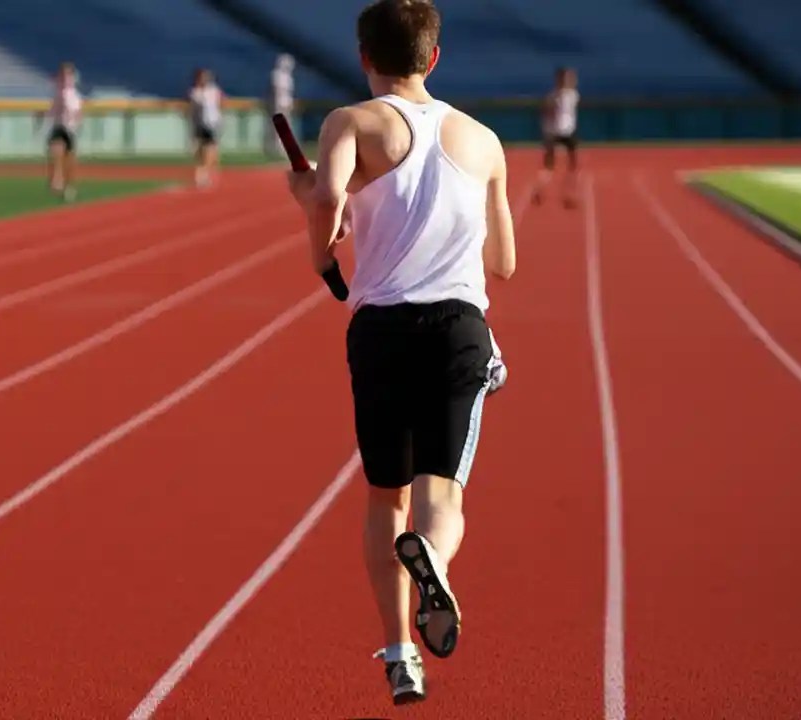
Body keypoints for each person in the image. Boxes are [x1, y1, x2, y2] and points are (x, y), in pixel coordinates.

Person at [285, 0, 515, 705]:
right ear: (434, 57)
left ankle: (400, 654)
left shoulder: (350, 122)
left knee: (384, 498)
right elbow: (502, 262)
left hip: (380, 330)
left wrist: (317, 235)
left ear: (364, 57)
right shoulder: (484, 140)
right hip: (456, 328)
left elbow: (328, 194)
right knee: (440, 492)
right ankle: (437, 564)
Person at [533, 66, 580, 208]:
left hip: (568, 132)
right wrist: (546, 130)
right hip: (554, 133)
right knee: (549, 166)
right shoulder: (554, 97)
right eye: (567, 78)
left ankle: (568, 194)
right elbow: (546, 113)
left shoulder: (573, 95)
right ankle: (540, 191)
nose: (570, 80)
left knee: (572, 166)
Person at [47, 62, 83, 202]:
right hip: (58, 126)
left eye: (66, 74)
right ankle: (57, 180)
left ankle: (69, 185)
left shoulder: (73, 95)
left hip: (69, 128)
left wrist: (75, 119)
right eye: (62, 74)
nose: (63, 77)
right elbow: (54, 108)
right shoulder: (58, 92)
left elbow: (78, 111)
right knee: (56, 153)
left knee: (69, 159)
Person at [188, 68, 223, 188]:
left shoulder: (212, 91)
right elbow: (194, 109)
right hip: (201, 124)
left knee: (211, 151)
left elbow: (220, 100)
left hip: (212, 123)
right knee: (205, 151)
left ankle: (204, 173)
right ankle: (202, 173)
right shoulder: (195, 93)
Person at [268, 54, 296, 157]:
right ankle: (276, 147)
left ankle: (286, 146)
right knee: (278, 126)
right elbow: (276, 91)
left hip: (286, 103)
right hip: (279, 104)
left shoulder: (288, 77)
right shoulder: (276, 75)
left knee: (287, 126)